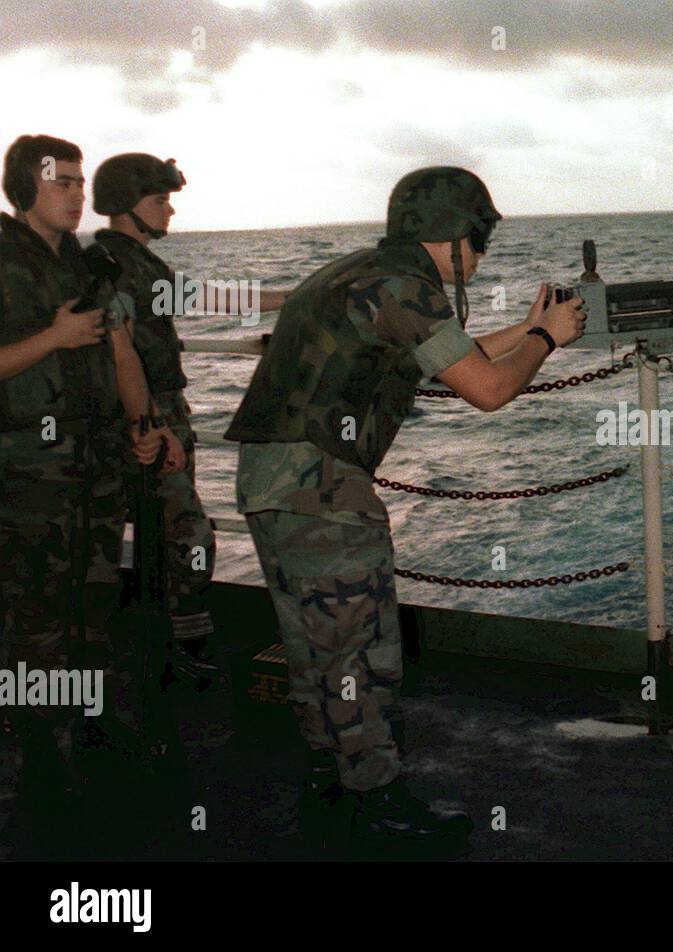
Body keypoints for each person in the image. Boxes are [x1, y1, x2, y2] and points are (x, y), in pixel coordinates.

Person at [224, 166, 586, 851]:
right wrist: (548, 341)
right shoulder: (409, 288)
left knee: (315, 648)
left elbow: (456, 355)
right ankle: (375, 801)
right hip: (320, 488)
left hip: (271, 478)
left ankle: (328, 781)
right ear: (454, 238)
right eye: (479, 243)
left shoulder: (364, 274)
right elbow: (485, 388)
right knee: (361, 651)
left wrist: (531, 327)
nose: (479, 261)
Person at [0, 134, 177, 807]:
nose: (77, 195)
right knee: (34, 619)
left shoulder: (88, 264)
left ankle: (94, 731)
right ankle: (42, 759)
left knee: (94, 605)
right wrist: (53, 337)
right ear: (25, 187)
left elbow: (120, 349)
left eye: (80, 182)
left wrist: (145, 423)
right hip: (24, 469)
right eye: (62, 183)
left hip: (94, 461)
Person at [89, 153, 288, 684]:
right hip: (145, 419)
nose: (170, 210)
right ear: (125, 207)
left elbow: (205, 298)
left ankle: (168, 649)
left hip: (155, 414)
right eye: (159, 200)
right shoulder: (112, 266)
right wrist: (149, 422)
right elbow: (117, 352)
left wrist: (289, 299)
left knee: (163, 535)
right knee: (188, 536)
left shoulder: (135, 263)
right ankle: (179, 651)